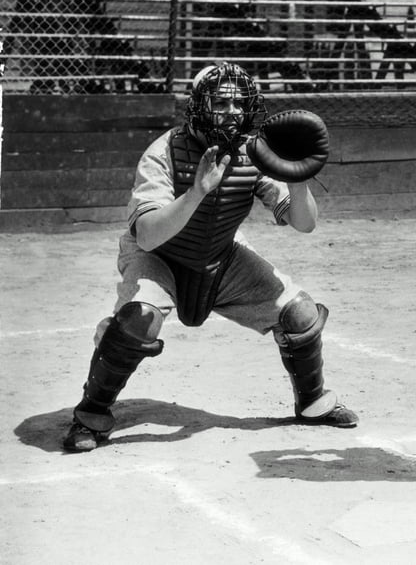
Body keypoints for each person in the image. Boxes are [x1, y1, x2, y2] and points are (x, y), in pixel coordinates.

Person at [61, 62, 358, 452]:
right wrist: (197, 191)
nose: (231, 112)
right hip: (160, 257)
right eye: (220, 102)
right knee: (138, 319)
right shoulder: (164, 151)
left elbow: (305, 224)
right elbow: (147, 236)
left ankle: (312, 402)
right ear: (199, 105)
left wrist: (298, 179)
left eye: (238, 104)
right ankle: (91, 414)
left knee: (301, 315)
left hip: (221, 253)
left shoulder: (254, 151)